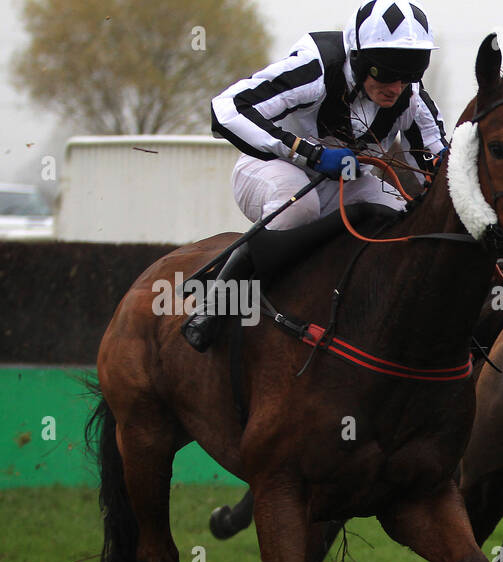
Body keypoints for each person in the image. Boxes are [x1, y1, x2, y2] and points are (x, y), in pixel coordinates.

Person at [185, 0, 449, 351]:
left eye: (409, 74)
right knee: (302, 205)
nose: (395, 87)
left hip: (348, 185)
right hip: (268, 169)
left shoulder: (411, 98)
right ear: (357, 59)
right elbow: (227, 108)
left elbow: (442, 162)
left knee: (403, 221)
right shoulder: (315, 67)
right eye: (385, 74)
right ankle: (216, 304)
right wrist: (311, 153)